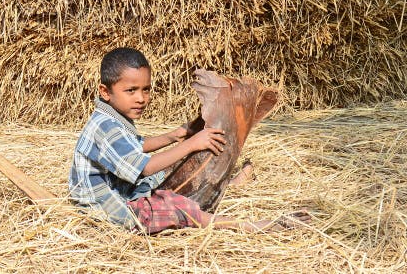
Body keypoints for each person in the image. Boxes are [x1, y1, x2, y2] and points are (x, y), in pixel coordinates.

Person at [69, 47, 309, 233]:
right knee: (176, 205)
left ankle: (228, 185)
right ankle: (245, 225)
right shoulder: (105, 127)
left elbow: (137, 146)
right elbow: (144, 167)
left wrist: (175, 135)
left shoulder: (111, 117)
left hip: (121, 190)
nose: (141, 98)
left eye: (146, 89)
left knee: (171, 174)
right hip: (109, 210)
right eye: (131, 91)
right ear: (105, 91)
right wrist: (191, 144)